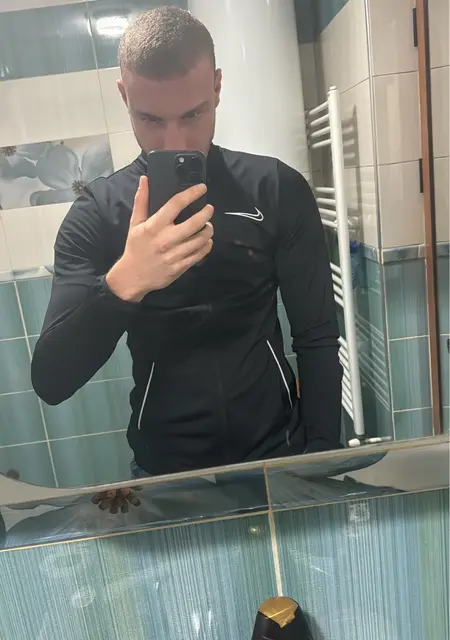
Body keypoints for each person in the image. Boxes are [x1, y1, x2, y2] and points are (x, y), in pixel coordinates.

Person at [31, 7, 342, 479]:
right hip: (166, 473)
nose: (174, 140)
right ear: (124, 95)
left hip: (279, 453)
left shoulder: (276, 189)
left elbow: (316, 336)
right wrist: (124, 284)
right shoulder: (98, 214)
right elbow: (52, 382)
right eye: (150, 118)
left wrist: (323, 459)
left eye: (193, 114)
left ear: (217, 87)